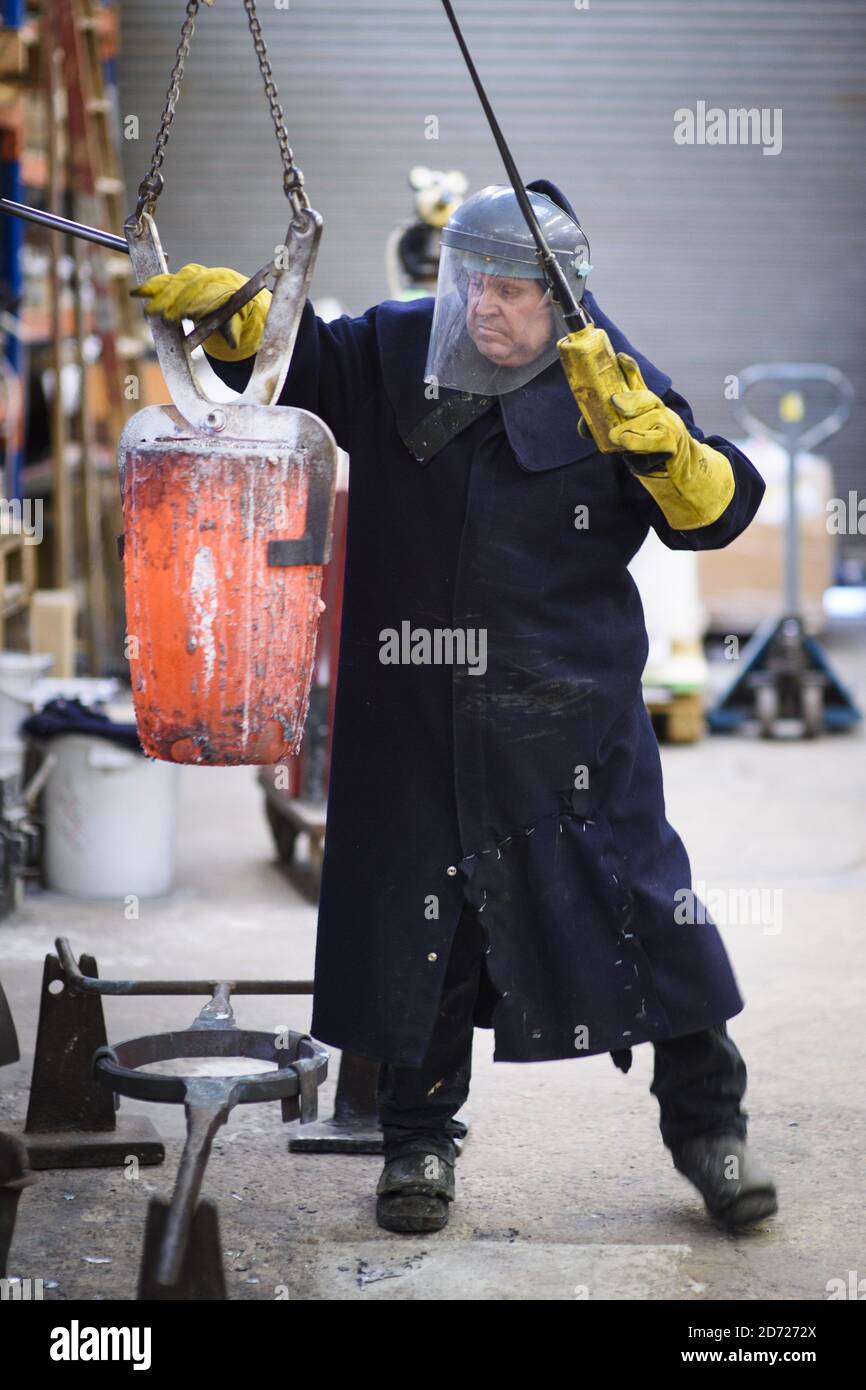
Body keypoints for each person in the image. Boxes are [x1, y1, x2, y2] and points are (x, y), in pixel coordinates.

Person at [133, 179, 778, 1235]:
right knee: (418, 935)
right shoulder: (391, 351)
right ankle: (417, 1146)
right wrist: (252, 322)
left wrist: (662, 448)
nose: (485, 307)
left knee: (653, 923)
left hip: (567, 726)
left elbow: (716, 510)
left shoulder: (611, 382)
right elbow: (294, 363)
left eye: (514, 290)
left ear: (562, 296)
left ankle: (710, 1132)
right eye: (470, 282)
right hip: (412, 719)